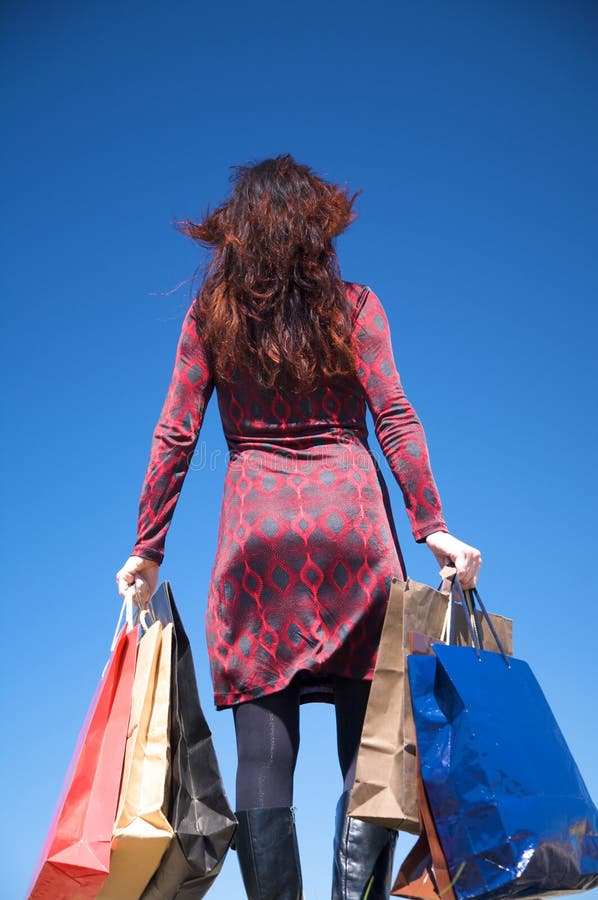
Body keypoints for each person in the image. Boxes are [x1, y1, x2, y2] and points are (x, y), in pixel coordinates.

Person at [116, 155, 481, 900]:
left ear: (237, 234)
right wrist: (432, 526)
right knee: (370, 745)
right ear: (319, 233)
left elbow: (174, 436)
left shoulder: (210, 318)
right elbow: (397, 419)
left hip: (257, 543)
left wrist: (147, 548)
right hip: (355, 537)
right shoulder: (356, 306)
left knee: (261, 757)